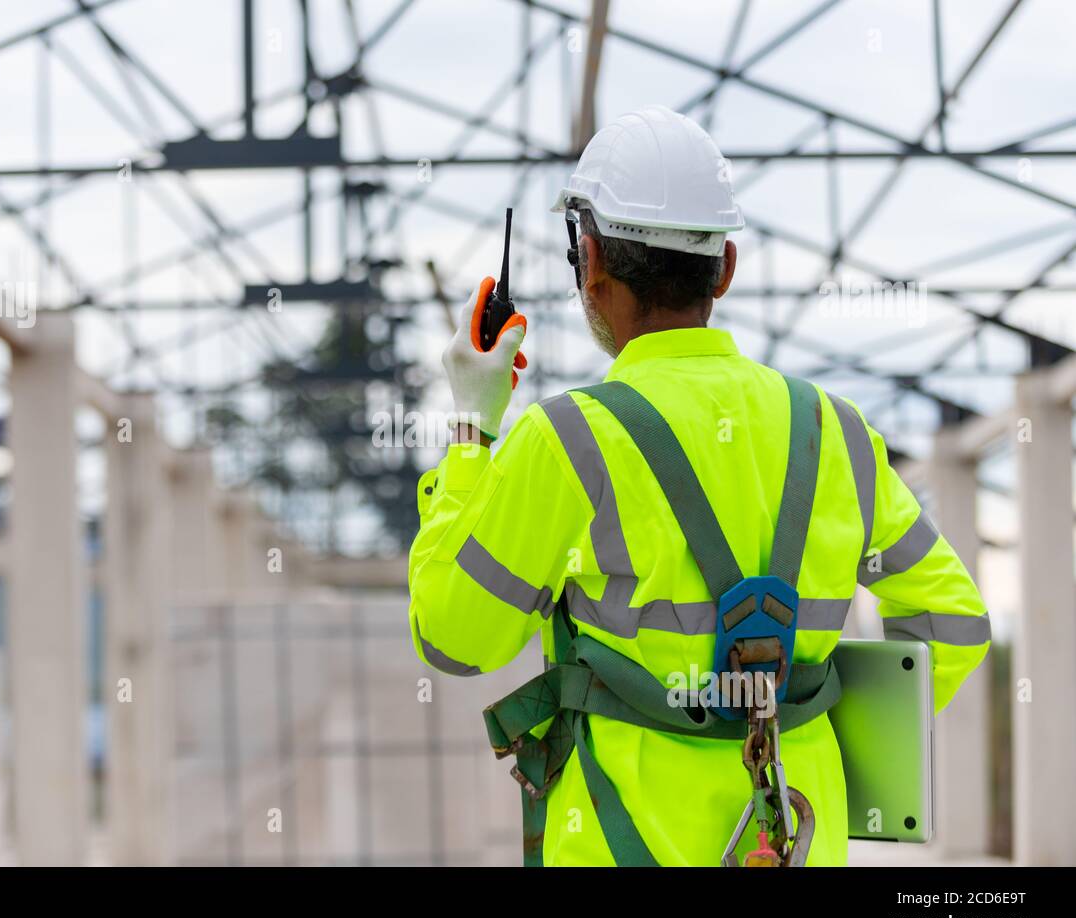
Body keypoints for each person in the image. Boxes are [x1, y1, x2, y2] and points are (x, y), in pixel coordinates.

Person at [406, 106, 990, 866]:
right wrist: (823, 751)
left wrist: (470, 434)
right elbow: (955, 623)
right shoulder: (836, 431)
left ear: (591, 265)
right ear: (727, 267)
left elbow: (454, 637)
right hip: (800, 838)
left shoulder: (570, 439)